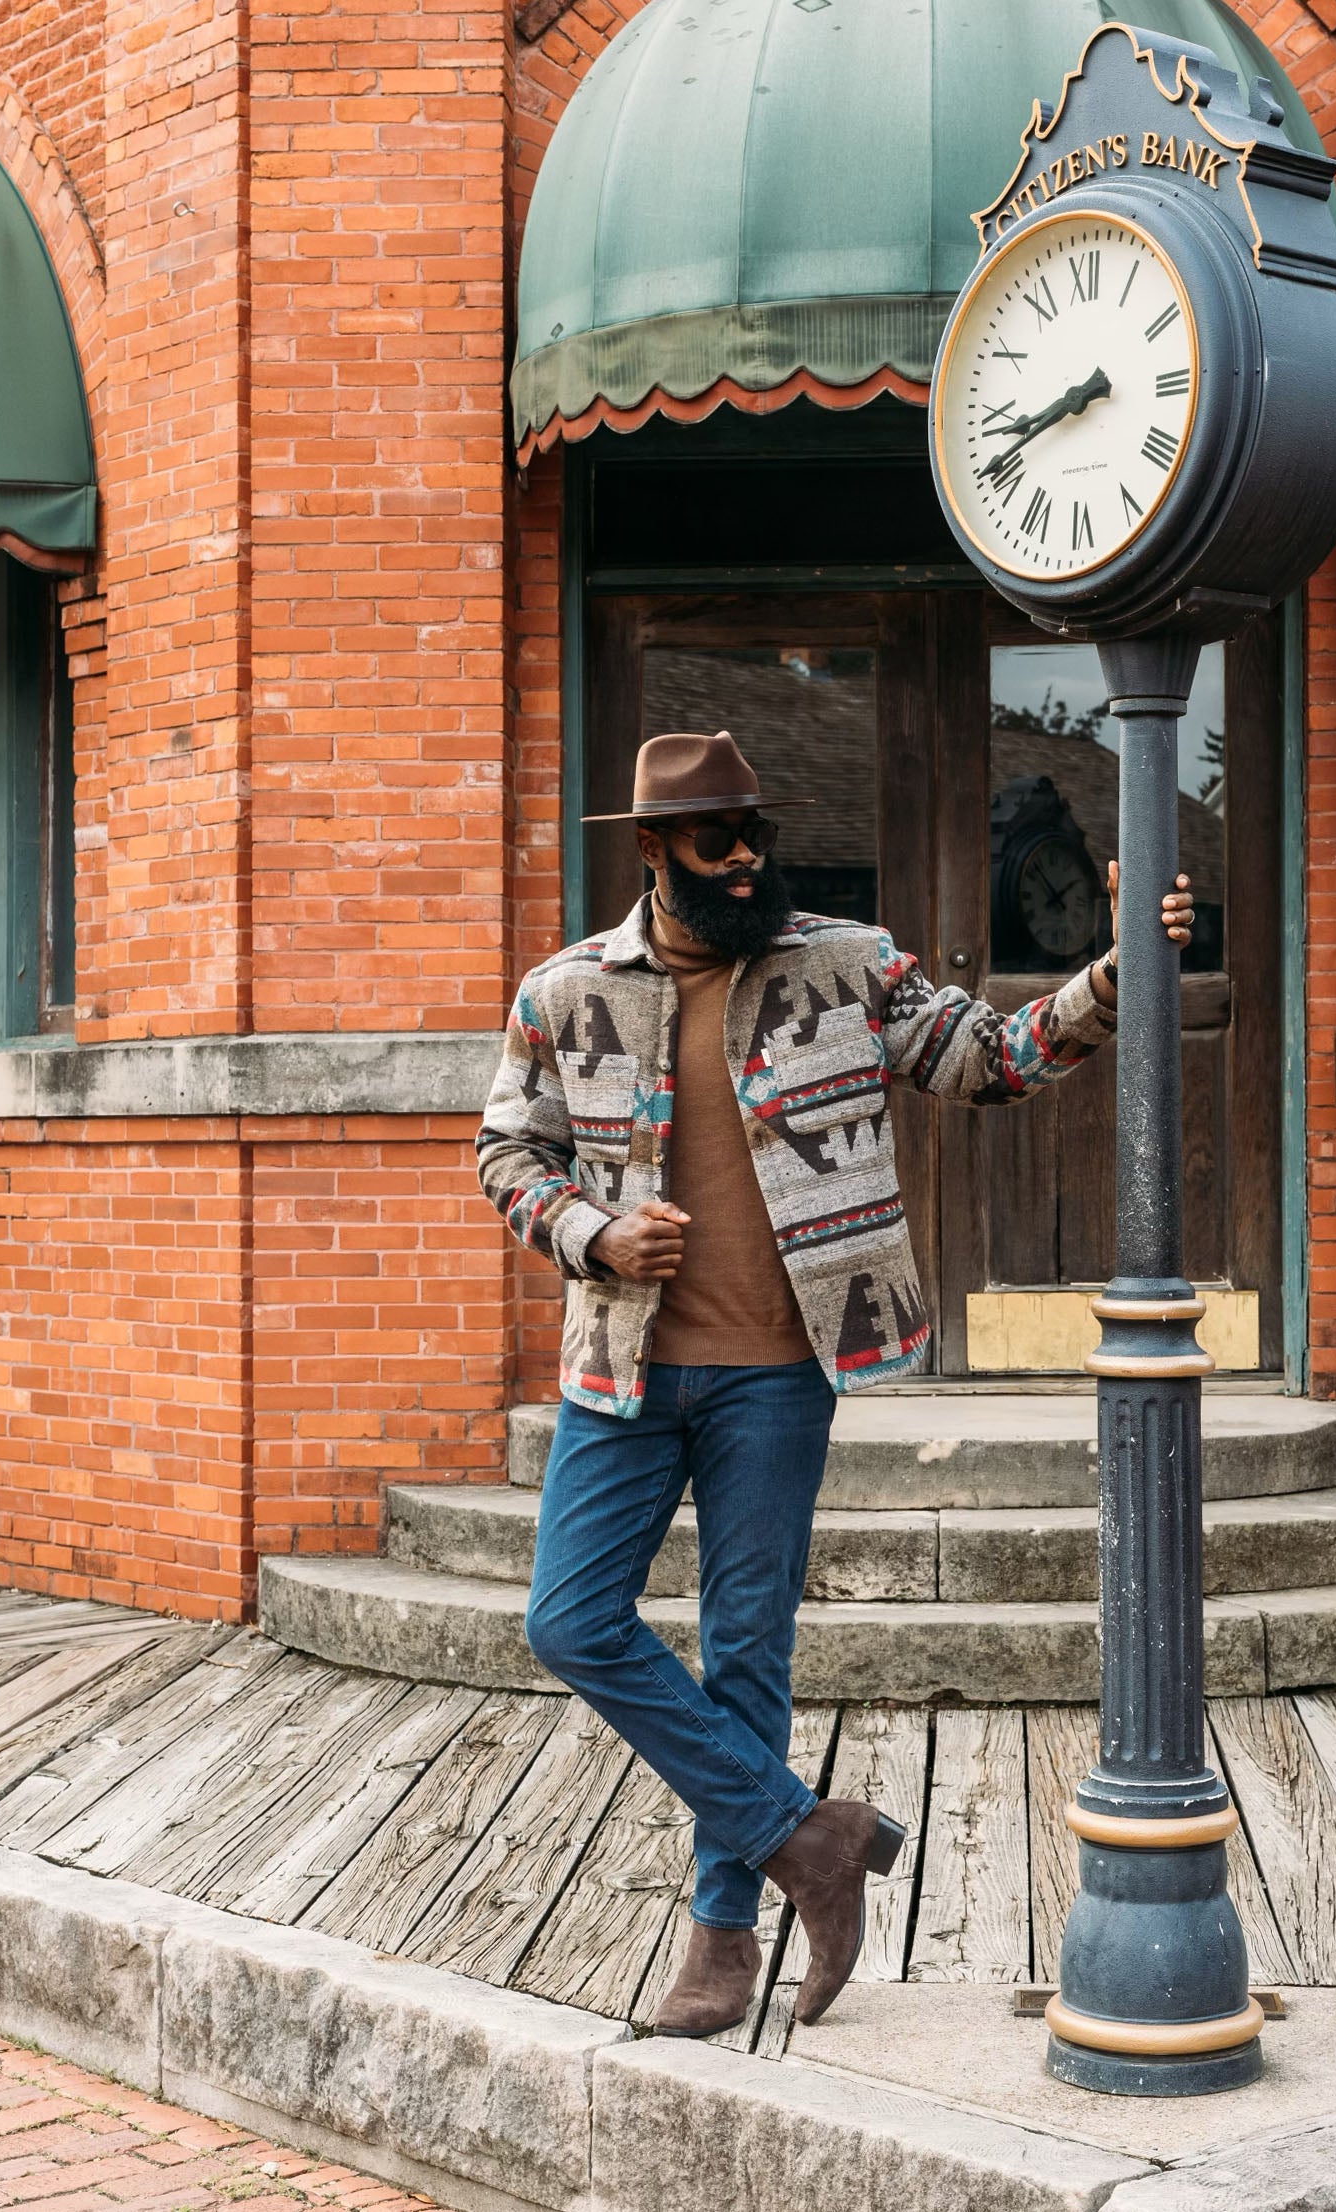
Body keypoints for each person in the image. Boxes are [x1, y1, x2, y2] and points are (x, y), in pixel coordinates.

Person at [476, 730, 1192, 2037]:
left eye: (756, 833)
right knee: (569, 1623)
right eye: (716, 840)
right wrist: (594, 1232)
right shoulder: (564, 991)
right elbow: (507, 1153)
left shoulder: (847, 964)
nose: (746, 858)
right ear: (654, 850)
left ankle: (722, 1939)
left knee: (747, 1650)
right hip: (620, 1369)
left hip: (778, 1374)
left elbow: (991, 1058)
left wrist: (1114, 969)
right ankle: (811, 1841)